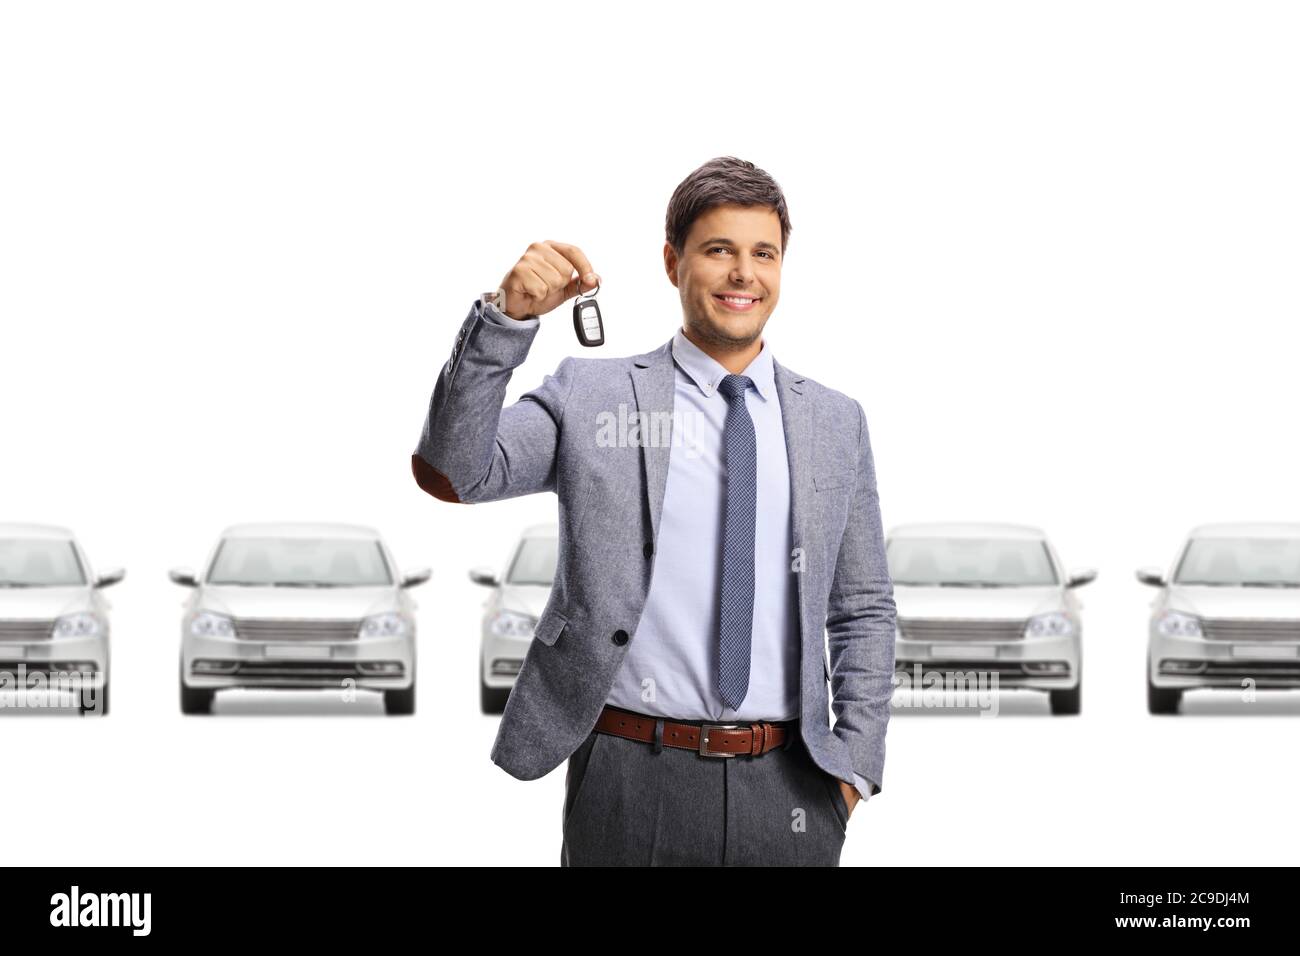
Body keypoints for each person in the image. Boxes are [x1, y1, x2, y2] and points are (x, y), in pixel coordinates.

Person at [412, 156, 896, 865]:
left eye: (763, 253)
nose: (743, 274)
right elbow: (455, 472)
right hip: (629, 780)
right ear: (673, 263)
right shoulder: (593, 397)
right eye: (718, 250)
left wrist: (852, 770)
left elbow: (863, 607)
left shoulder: (834, 421)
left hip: (792, 789)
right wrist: (503, 323)